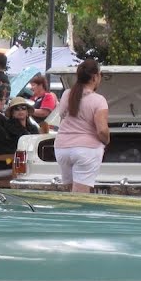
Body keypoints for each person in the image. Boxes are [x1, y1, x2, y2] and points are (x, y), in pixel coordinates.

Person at [53, 59, 110, 193]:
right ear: (95, 77)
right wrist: (107, 140)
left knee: (69, 192)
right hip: (86, 150)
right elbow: (102, 130)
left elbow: (62, 118)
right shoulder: (98, 100)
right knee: (80, 196)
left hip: (62, 148)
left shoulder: (67, 94)